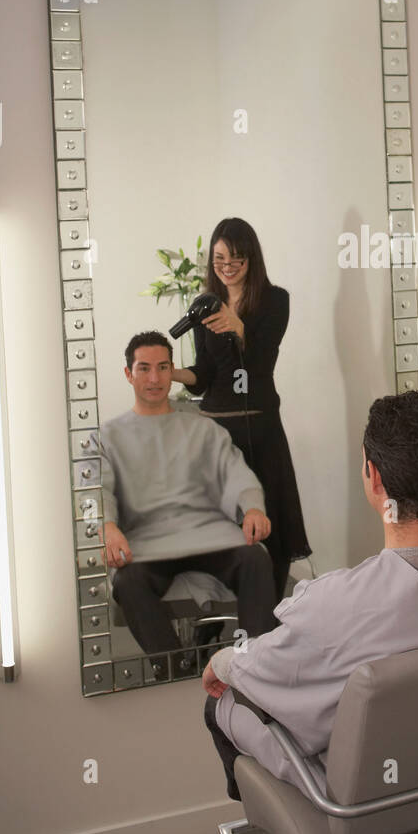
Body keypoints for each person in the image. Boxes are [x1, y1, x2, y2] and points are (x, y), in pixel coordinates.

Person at [202, 390, 418, 802]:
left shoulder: (338, 601)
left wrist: (224, 660)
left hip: (373, 800)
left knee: (224, 705)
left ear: (373, 477)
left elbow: (263, 672)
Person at [101, 331, 278, 680]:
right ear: (128, 374)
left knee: (255, 558)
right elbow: (98, 491)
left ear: (172, 371)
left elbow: (236, 473)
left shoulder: (203, 430)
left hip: (207, 534)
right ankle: (173, 670)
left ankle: (255, 667)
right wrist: (107, 526)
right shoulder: (109, 436)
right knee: (128, 581)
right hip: (148, 541)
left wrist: (253, 508)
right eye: (144, 368)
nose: (154, 378)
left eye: (163, 367)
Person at [172, 217, 310, 601]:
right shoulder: (203, 307)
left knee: (272, 520)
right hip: (216, 431)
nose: (227, 265)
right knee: (220, 523)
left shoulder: (274, 300)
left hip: (260, 427)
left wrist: (239, 328)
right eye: (219, 258)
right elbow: (204, 375)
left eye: (236, 257)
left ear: (251, 258)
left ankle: (268, 611)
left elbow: (262, 365)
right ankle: (213, 618)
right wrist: (173, 373)